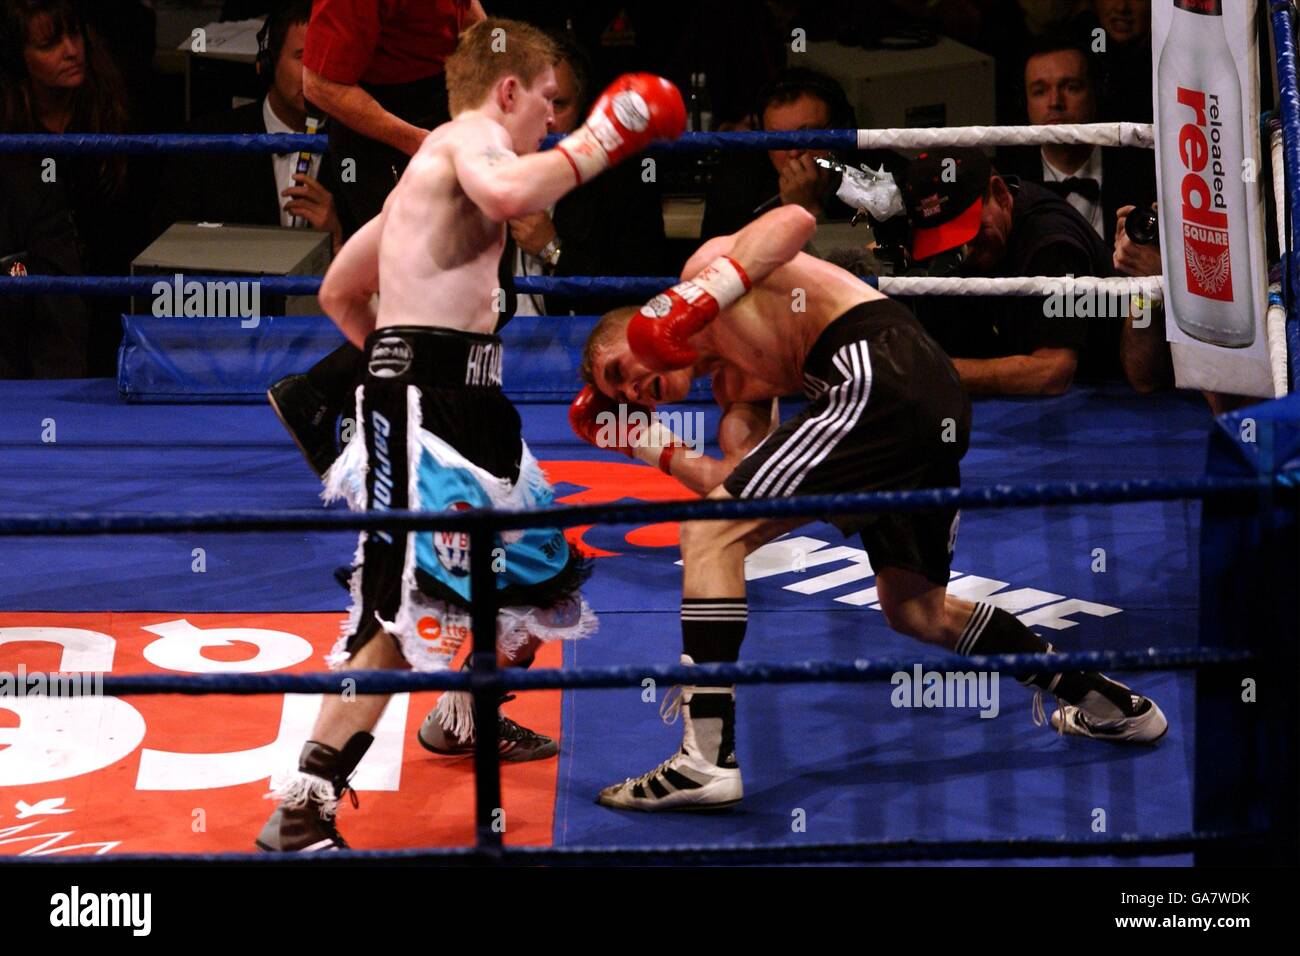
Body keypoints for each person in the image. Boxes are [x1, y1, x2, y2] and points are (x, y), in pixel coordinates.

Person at [571, 204, 1167, 811]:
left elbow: (796, 221)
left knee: (707, 536)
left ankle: (703, 760)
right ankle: (1111, 704)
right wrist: (649, 445)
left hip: (876, 368)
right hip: (912, 400)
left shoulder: (705, 273)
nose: (630, 391)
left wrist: (701, 297)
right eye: (619, 394)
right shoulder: (732, 383)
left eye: (620, 369)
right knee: (917, 610)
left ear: (643, 318)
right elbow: (744, 484)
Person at [255, 17, 685, 850]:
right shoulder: (469, 143)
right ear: (510, 90)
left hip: (468, 399)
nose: (555, 123)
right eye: (551, 103)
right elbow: (512, 194)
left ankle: (458, 718)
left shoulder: (429, 172)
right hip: (425, 404)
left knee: (530, 571)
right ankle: (303, 807)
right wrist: (610, 133)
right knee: (395, 605)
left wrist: (399, 352)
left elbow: (345, 296)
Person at [266, 0, 487, 478]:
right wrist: (416, 142)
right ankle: (395, 435)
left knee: (488, 295)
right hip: (382, 130)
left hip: (437, 103)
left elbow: (466, 12)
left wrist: (498, 68)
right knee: (451, 297)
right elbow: (320, 85)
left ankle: (320, 395)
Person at [0, 0, 150, 375]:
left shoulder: (119, 117)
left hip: (116, 306)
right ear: (20, 60)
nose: (71, 51)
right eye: (50, 45)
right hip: (33, 322)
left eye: (74, 34)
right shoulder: (10, 137)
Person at [902, 148, 1117, 395]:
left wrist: (938, 372)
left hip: (1097, 396)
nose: (966, 251)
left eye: (968, 233)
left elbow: (1053, 372)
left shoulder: (1051, 245)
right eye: (945, 240)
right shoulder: (967, 239)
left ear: (1001, 195)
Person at [151, 2, 342, 252]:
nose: (315, 71)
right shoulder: (204, 146)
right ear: (269, 63)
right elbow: (166, 260)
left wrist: (337, 241)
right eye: (302, 57)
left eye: (325, 58)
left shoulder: (357, 150)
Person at [508, 29, 666, 317]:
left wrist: (553, 250)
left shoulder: (619, 181)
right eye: (535, 102)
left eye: (559, 103)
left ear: (582, 107)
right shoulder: (482, 167)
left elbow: (635, 298)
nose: (548, 119)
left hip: (578, 345)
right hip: (494, 347)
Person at [996, 34, 1155, 249]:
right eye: (1040, 91)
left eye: (1071, 87)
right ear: (1025, 102)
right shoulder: (1008, 182)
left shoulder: (1143, 170)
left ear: (1096, 93)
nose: (1055, 102)